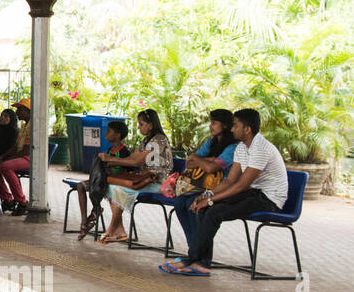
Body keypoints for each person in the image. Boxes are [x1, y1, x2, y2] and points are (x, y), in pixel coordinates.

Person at [161, 108, 287, 277]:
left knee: (214, 212)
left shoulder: (260, 148)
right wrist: (207, 196)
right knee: (202, 206)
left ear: (247, 129)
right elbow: (229, 181)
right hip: (254, 193)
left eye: (235, 126)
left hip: (269, 199)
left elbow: (241, 185)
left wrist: (211, 201)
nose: (232, 129)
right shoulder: (242, 147)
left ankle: (192, 259)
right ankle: (201, 262)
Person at [93, 108, 173, 245]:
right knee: (112, 187)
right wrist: (110, 160)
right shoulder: (146, 140)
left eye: (141, 124)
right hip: (146, 179)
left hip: (159, 182)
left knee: (120, 190)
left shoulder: (158, 139)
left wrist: (111, 159)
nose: (139, 127)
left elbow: (137, 161)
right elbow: (133, 157)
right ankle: (119, 229)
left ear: (151, 125)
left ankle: (113, 229)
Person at [170, 109, 239, 249]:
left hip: (220, 188)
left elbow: (211, 169)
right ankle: (193, 247)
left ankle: (198, 252)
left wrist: (201, 160)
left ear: (225, 125)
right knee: (179, 202)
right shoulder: (211, 142)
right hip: (201, 186)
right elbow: (190, 161)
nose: (210, 126)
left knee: (192, 203)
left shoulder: (233, 147)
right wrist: (211, 160)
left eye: (214, 123)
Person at [74, 120, 130, 237]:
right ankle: (85, 219)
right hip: (104, 181)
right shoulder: (110, 150)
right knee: (81, 186)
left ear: (118, 135)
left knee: (102, 190)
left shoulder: (124, 152)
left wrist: (110, 164)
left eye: (109, 131)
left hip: (114, 183)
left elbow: (125, 170)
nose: (106, 134)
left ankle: (96, 212)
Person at [0, 98, 33, 216]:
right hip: (21, 155)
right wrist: (3, 157)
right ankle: (7, 199)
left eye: (20, 110)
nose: (17, 112)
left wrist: (7, 159)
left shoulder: (33, 126)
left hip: (30, 158)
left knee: (5, 166)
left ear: (28, 111)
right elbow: (16, 147)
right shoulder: (24, 126)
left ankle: (22, 202)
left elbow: (26, 150)